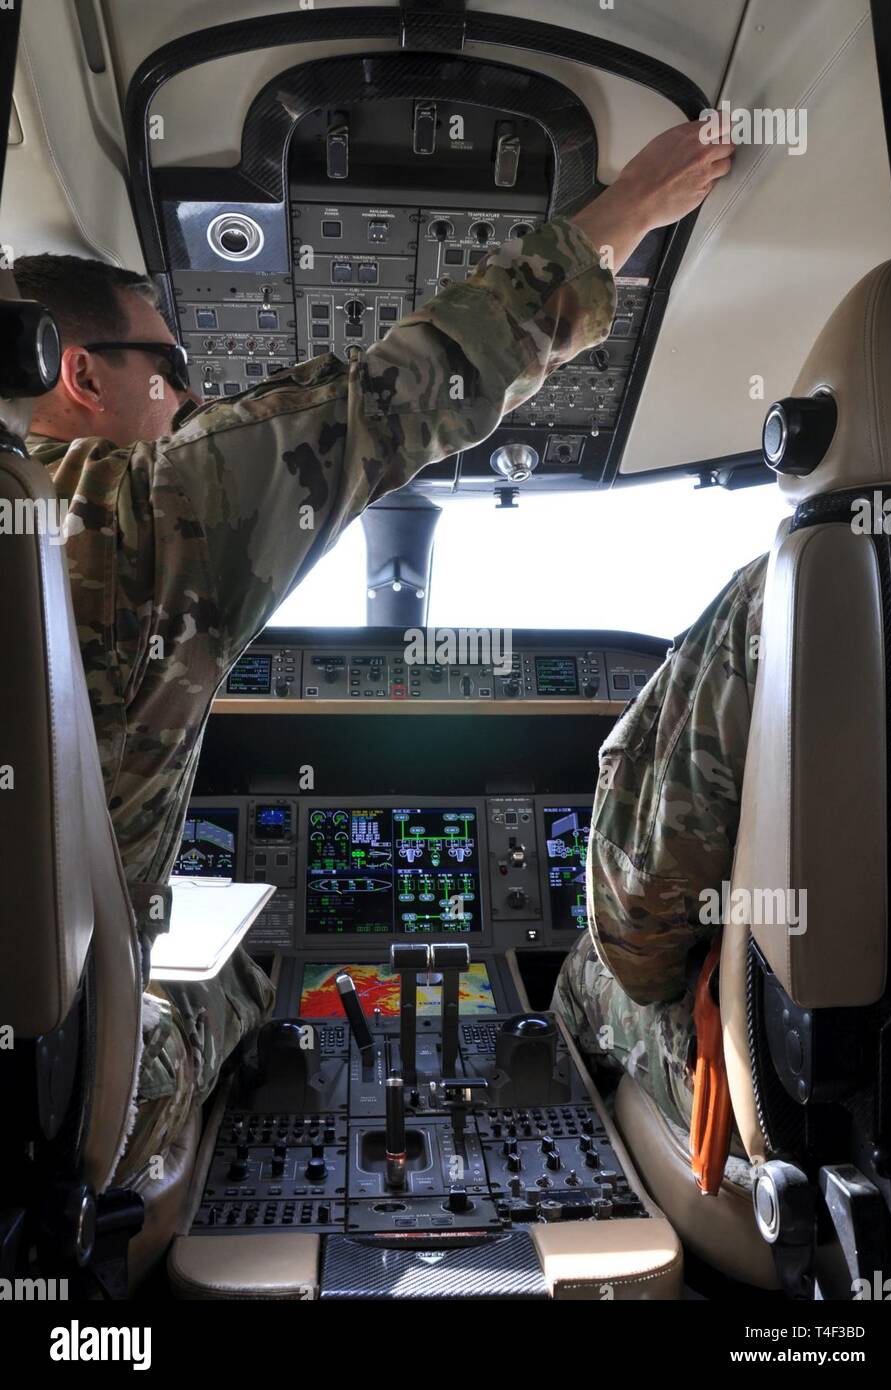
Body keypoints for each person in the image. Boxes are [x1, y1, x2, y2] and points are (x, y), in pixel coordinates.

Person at [15, 119, 733, 1184]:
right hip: (52, 1108)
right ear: (82, 374)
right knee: (246, 972)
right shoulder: (133, 515)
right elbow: (402, 390)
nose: (194, 401)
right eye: (171, 369)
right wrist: (622, 209)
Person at [551, 554, 767, 1137]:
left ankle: (570, 1176)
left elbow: (637, 930)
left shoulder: (782, 596)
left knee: (587, 969)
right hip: (882, 1090)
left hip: (789, 1093)